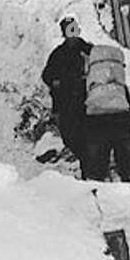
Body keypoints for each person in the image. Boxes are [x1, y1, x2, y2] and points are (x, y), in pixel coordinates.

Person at [80, 41, 130, 181]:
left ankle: (97, 187)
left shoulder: (92, 86)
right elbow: (129, 106)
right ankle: (129, 181)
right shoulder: (119, 87)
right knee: (125, 158)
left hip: (96, 118)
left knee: (97, 162)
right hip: (120, 117)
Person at [41, 16, 93, 160]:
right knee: (71, 137)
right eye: (70, 30)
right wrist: (55, 82)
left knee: (88, 139)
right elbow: (47, 75)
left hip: (86, 102)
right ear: (64, 33)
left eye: (75, 29)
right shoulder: (58, 54)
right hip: (65, 103)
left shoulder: (89, 50)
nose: (73, 34)